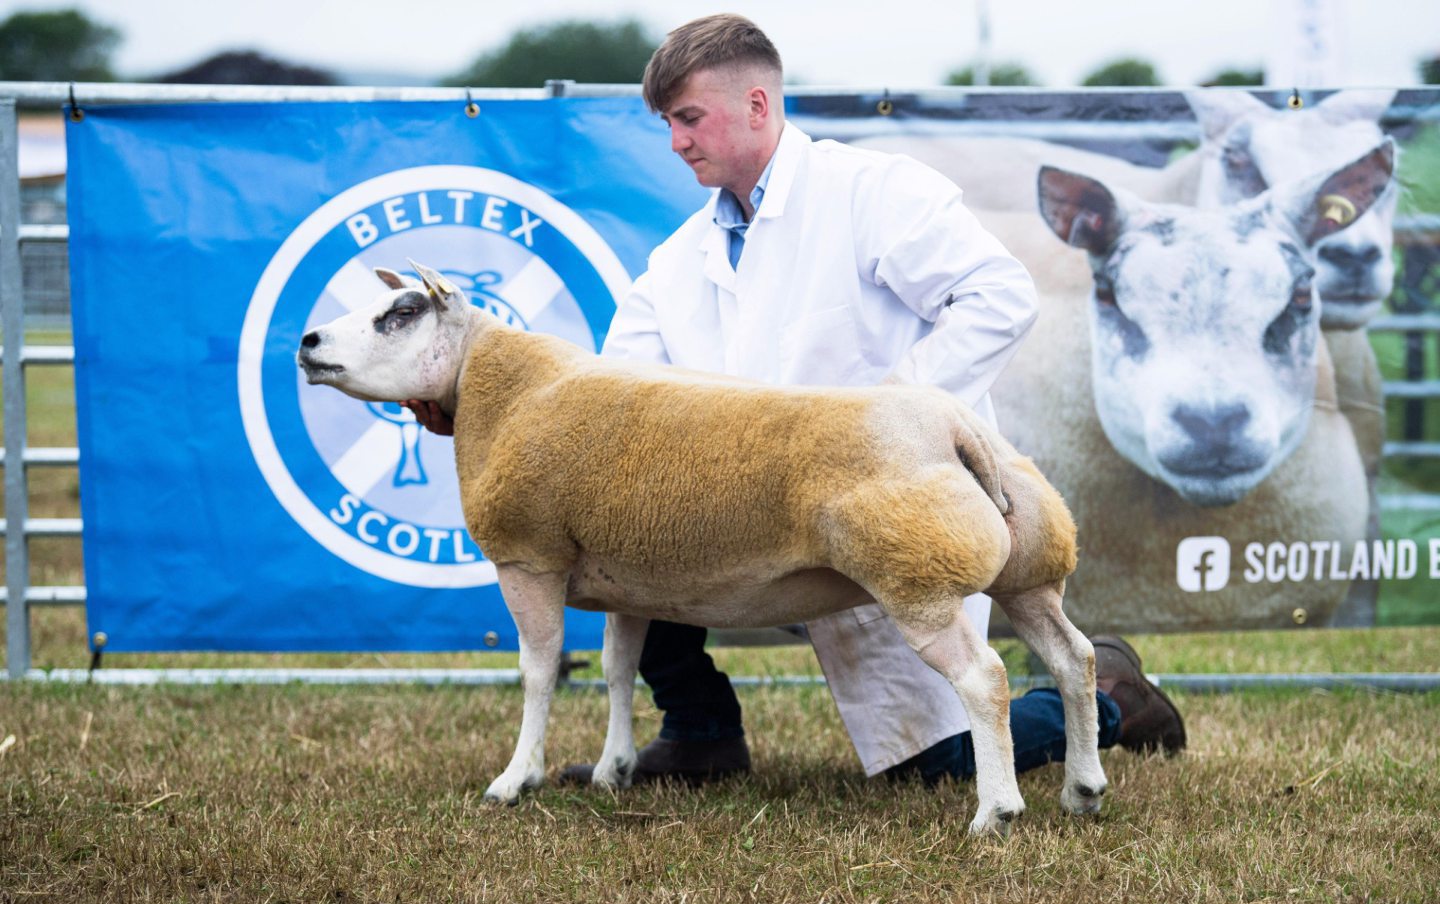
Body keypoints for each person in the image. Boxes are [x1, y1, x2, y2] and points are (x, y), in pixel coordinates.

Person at [408, 14, 1185, 789]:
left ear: (756, 105)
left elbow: (997, 297)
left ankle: (1113, 697)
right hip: (752, 533)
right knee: (627, 530)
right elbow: (613, 407)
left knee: (931, 766)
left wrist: (886, 423)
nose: (676, 142)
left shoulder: (873, 193)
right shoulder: (676, 266)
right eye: (667, 124)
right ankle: (700, 730)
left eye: (688, 118)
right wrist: (472, 401)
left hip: (892, 506)